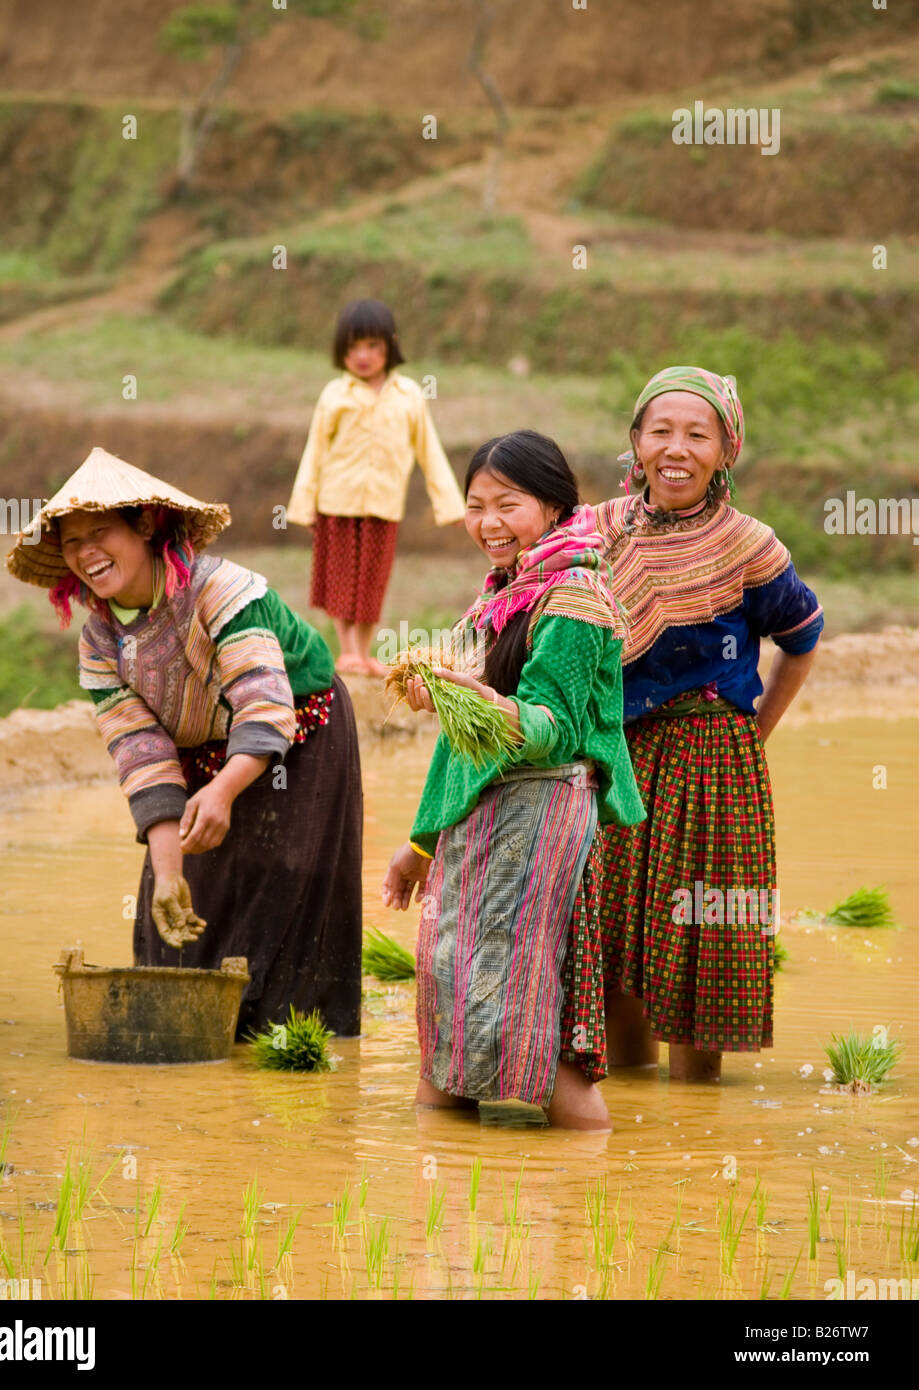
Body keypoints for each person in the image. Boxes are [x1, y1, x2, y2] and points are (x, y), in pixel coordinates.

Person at [6, 447, 363, 1038]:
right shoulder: (99, 643)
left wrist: (222, 791)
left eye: (101, 532)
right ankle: (200, 1036)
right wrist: (169, 870)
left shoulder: (218, 590)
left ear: (145, 527)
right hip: (205, 744)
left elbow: (264, 703)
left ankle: (291, 1039)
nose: (87, 553)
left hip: (301, 726)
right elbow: (141, 754)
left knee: (286, 877)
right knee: (175, 902)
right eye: (72, 543)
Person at [382, 431, 644, 1129]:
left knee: (522, 986)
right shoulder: (502, 596)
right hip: (486, 819)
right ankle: (440, 1163)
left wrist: (482, 701)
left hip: (543, 809)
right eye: (475, 506)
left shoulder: (576, 595)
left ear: (556, 507)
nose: (488, 522)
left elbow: (552, 725)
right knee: (447, 975)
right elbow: (461, 747)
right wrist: (420, 845)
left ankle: (584, 1167)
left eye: (508, 504)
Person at [588, 366, 823, 1081]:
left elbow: (802, 638)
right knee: (614, 931)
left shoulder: (747, 545)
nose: (676, 448)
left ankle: (694, 1107)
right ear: (635, 442)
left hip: (716, 763)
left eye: (698, 434)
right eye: (660, 431)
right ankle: (628, 1095)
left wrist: (753, 734)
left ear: (727, 450)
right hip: (617, 758)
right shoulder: (596, 535)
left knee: (703, 933)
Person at [286, 298, 466, 677]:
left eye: (372, 346)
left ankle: (364, 652)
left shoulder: (410, 396)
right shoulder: (334, 395)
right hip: (336, 503)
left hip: (384, 506)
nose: (363, 356)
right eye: (353, 348)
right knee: (339, 582)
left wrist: (451, 506)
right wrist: (303, 507)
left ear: (390, 345)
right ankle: (348, 650)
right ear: (341, 351)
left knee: (371, 582)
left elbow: (429, 451)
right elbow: (314, 451)